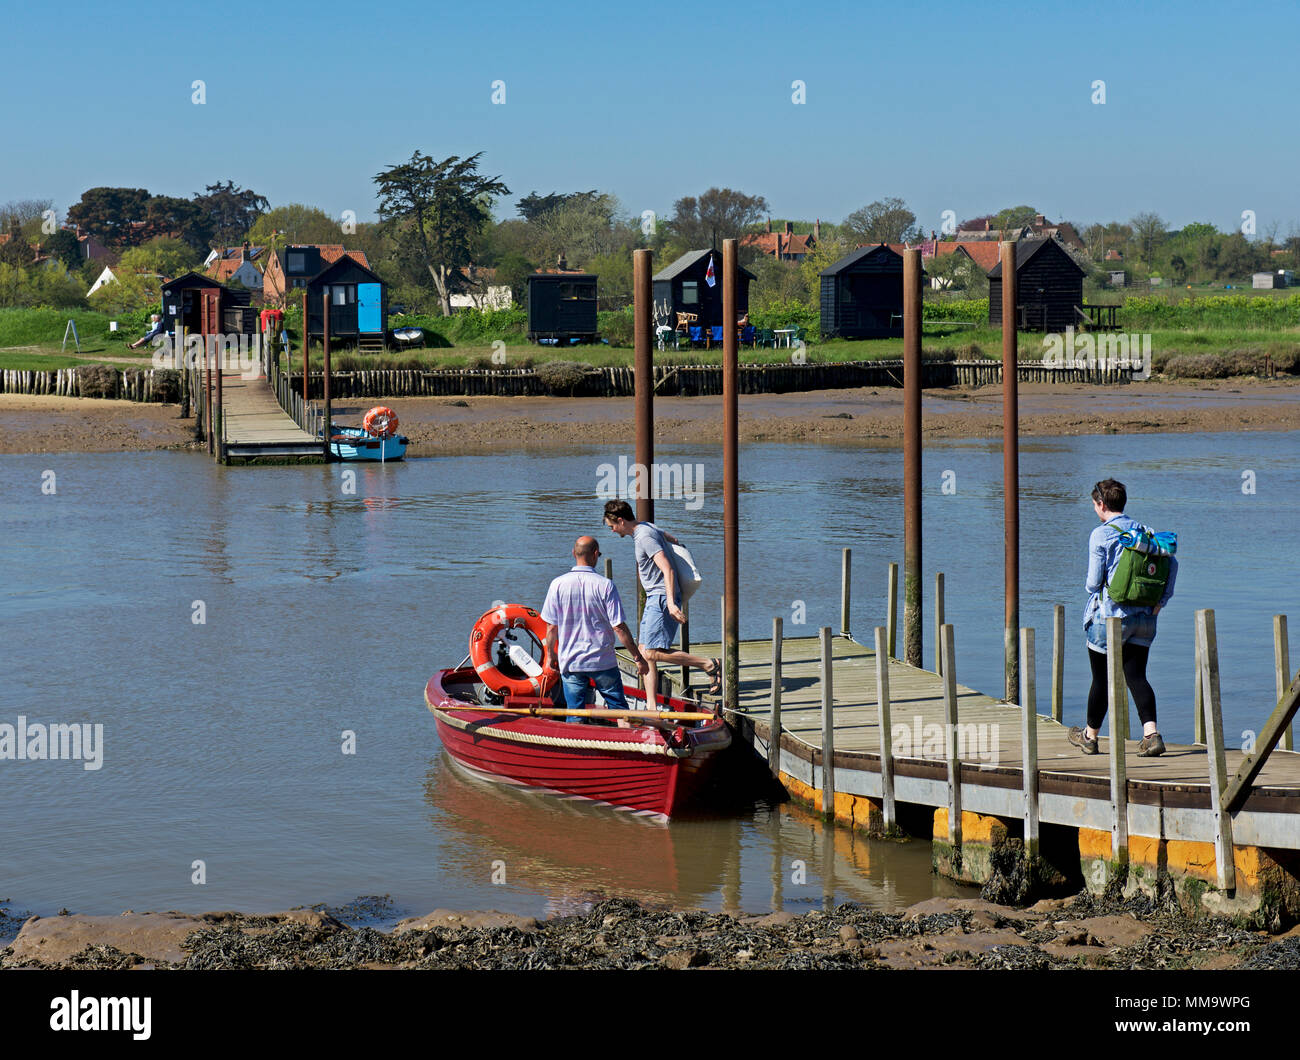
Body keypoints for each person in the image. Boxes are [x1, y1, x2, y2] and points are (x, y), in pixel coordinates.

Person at [1069, 478, 1177, 757]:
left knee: (1101, 679)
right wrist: (1160, 603)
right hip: (1144, 619)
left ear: (1101, 504)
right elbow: (1172, 562)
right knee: (1137, 676)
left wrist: (1094, 586)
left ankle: (1090, 737)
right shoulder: (1145, 532)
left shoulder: (1101, 534)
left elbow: (1093, 584)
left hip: (1110, 618)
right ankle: (1151, 736)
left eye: (1095, 504)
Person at [602, 499, 721, 701]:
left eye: (612, 526)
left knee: (651, 652)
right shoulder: (647, 528)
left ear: (621, 521)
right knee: (644, 650)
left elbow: (668, 568)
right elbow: (672, 538)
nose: (612, 531)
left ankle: (708, 664)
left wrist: (671, 604)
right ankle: (651, 707)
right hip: (654, 597)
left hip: (661, 597)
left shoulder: (644, 537)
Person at [540, 535, 648, 722]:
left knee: (575, 713)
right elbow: (619, 628)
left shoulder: (557, 584)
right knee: (621, 712)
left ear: (573, 553)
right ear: (596, 554)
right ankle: (627, 746)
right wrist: (638, 658)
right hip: (603, 661)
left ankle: (577, 749)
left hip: (571, 662)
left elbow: (551, 628)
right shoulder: (605, 585)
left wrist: (550, 655)